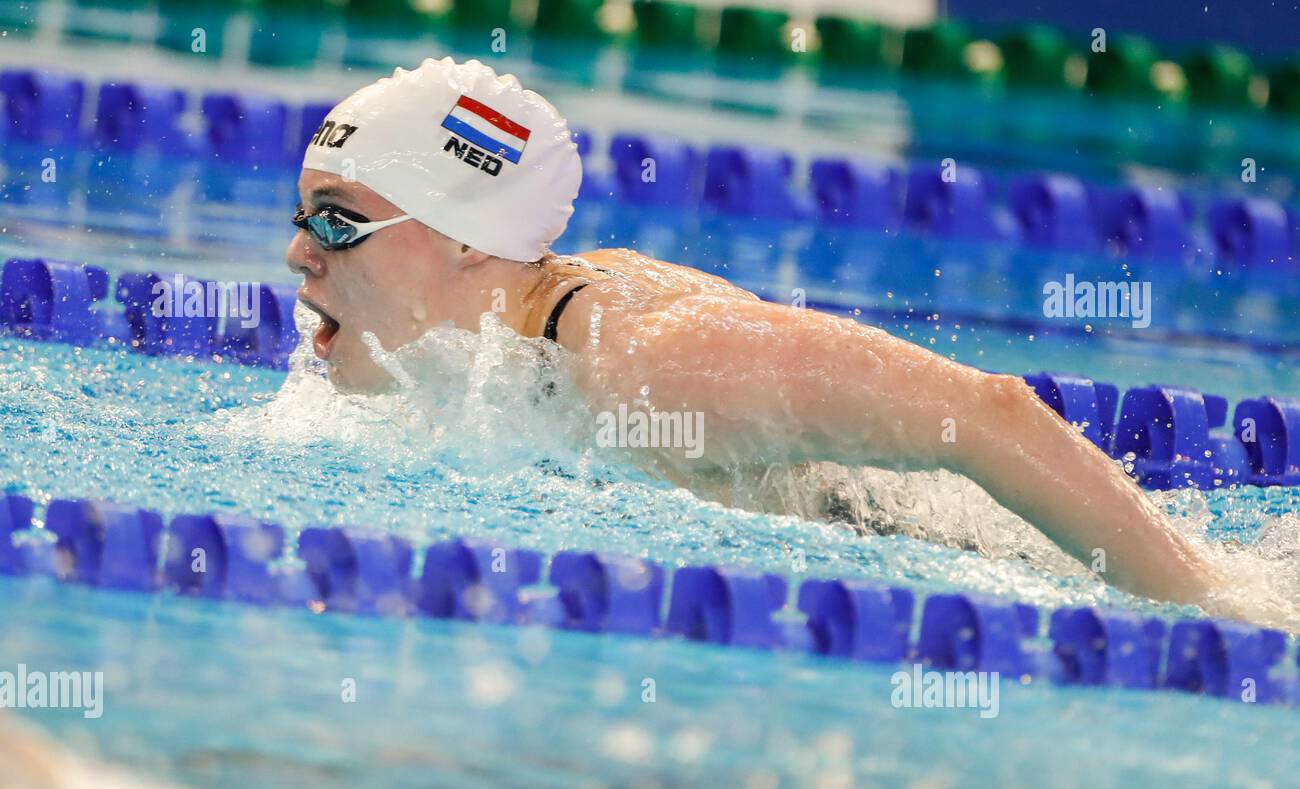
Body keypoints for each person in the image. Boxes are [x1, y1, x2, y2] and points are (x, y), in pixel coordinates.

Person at [287, 56, 1231, 613]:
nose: (297, 253)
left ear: (463, 237)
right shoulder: (525, 348)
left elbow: (985, 414)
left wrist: (1209, 611)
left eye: (335, 220)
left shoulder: (645, 366)